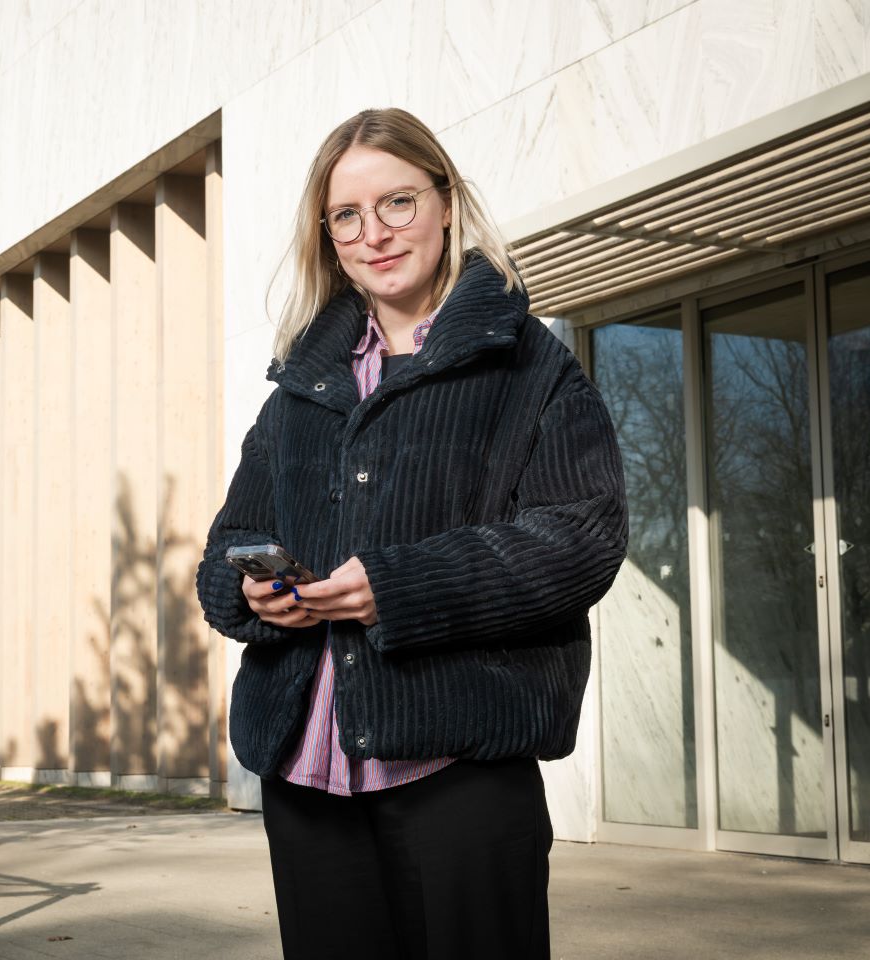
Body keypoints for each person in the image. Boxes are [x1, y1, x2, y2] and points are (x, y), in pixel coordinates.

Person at [195, 107, 628, 959]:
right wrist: (252, 594)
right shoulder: (298, 390)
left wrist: (398, 587)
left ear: (446, 203)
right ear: (326, 235)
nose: (374, 233)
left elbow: (582, 538)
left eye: (397, 203)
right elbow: (224, 549)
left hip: (460, 769)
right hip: (306, 776)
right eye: (347, 215)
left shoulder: (529, 364)